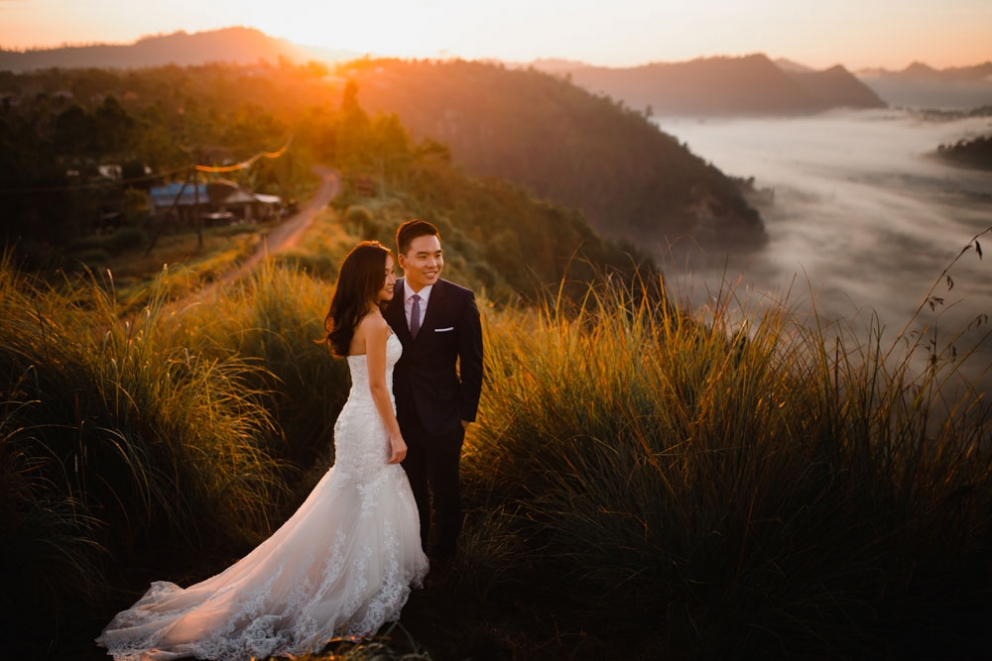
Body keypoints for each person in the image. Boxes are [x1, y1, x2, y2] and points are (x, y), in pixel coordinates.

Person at [96, 241, 429, 661]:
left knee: (350, 501)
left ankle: (336, 573)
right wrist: (396, 435)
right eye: (386, 272)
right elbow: (380, 386)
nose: (393, 278)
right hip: (371, 421)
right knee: (363, 500)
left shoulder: (360, 318)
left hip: (356, 419)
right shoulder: (376, 324)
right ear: (368, 277)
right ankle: (342, 584)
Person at [384, 219, 484, 561]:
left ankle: (444, 559)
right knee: (409, 493)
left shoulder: (460, 301)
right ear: (403, 260)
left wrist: (465, 418)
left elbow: (473, 364)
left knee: (446, 492)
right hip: (399, 419)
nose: (433, 264)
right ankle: (414, 558)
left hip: (445, 418)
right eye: (423, 256)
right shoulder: (385, 297)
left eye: (438, 255)